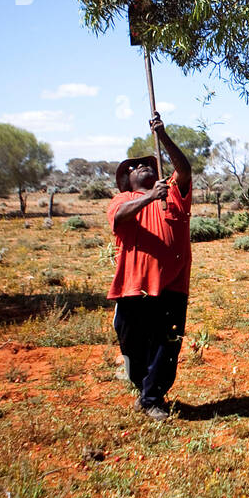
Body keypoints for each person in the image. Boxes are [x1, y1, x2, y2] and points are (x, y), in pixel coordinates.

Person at [107, 114, 193, 419]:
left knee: (166, 344)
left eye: (145, 164)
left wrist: (164, 135)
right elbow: (119, 218)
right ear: (126, 181)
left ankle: (152, 398)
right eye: (132, 168)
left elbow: (184, 169)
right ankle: (144, 387)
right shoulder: (123, 200)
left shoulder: (173, 191)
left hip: (172, 285)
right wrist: (147, 199)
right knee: (131, 341)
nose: (139, 167)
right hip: (133, 285)